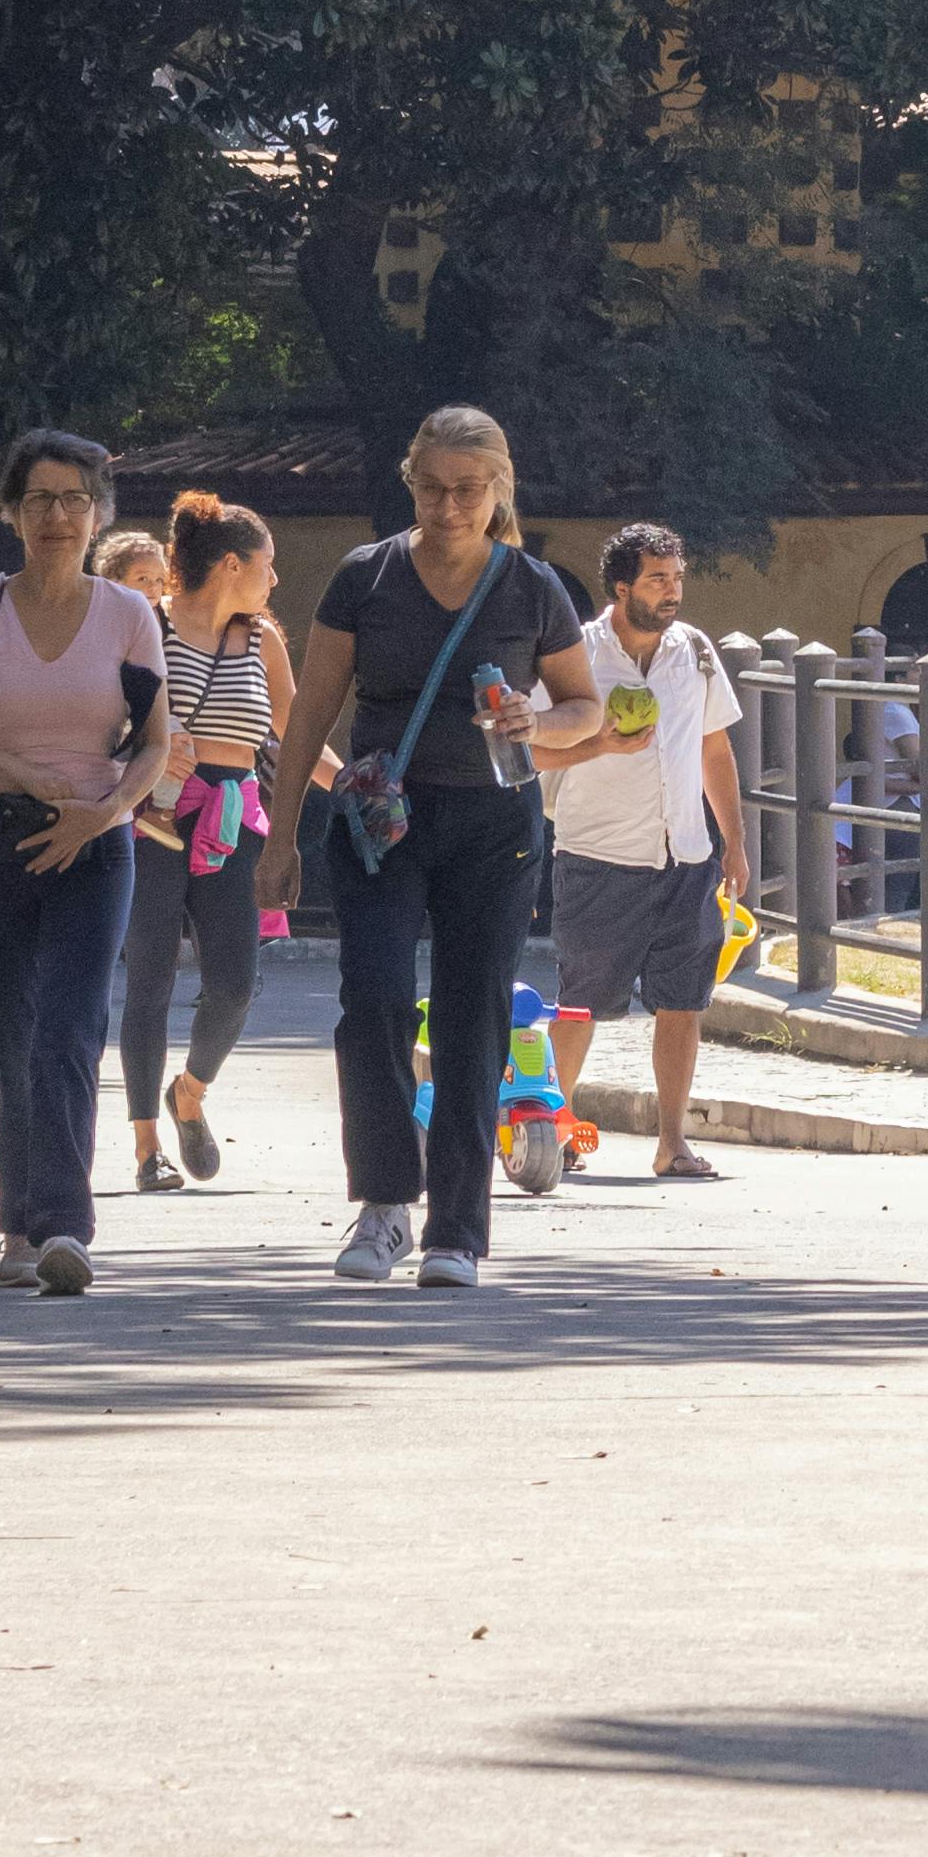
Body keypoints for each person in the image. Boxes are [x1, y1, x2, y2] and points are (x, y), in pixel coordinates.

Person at [260, 404, 598, 1291]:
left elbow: (586, 707)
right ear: (409, 482)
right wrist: (282, 833)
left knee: (471, 1014)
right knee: (369, 994)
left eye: (468, 490)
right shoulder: (363, 577)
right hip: (381, 824)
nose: (449, 507)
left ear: (498, 491)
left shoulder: (532, 586)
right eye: (433, 488)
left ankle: (458, 1230)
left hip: (494, 823)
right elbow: (312, 710)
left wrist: (540, 717)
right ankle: (382, 1206)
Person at [0, 430, 175, 1298]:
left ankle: (64, 1226)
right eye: (42, 499)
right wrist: (12, 771)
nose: (59, 516)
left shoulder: (128, 615)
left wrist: (106, 809)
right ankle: (16, 1219)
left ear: (99, 515)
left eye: (76, 499)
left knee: (70, 1030)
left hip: (95, 847)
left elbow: (157, 744)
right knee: (11, 1038)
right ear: (13, 513)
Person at [546, 520, 751, 1183]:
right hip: (598, 855)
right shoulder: (574, 654)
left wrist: (734, 843)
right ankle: (554, 1130)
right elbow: (529, 748)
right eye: (658, 579)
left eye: (677, 578)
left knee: (682, 1002)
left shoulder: (692, 651)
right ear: (622, 585)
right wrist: (597, 745)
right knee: (581, 1002)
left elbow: (713, 748)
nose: (672, 591)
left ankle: (672, 1142)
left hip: (686, 854)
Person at [116, 495, 296, 1193]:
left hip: (232, 821)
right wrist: (147, 750)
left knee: (234, 984)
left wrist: (365, 786)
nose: (273, 579)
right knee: (150, 983)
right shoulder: (145, 625)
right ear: (231, 564)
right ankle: (144, 1148)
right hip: (151, 818)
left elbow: (295, 733)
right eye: (267, 565)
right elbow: (100, 715)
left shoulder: (263, 639)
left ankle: (189, 1091)